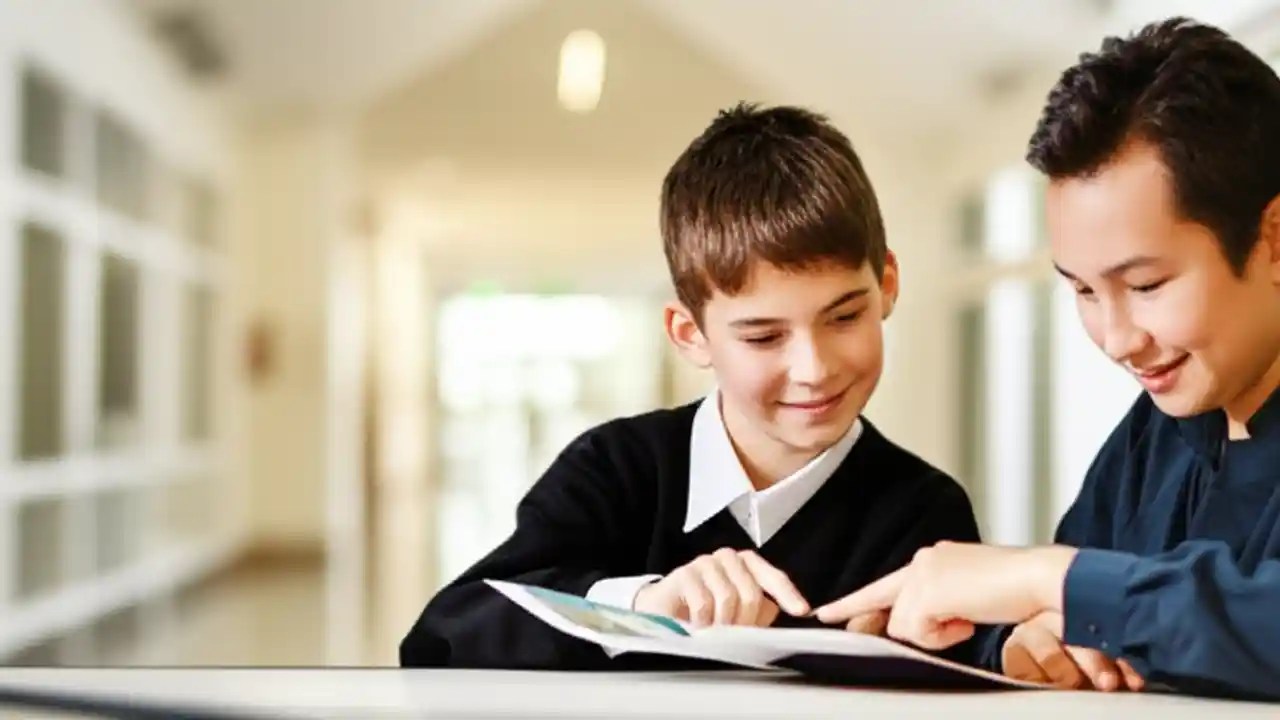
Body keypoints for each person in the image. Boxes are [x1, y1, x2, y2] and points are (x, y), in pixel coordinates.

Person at [399, 103, 983, 669]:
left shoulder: (927, 514)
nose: (814, 368)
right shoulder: (614, 469)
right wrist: (642, 607)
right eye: (763, 337)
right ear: (691, 334)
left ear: (887, 285)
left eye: (845, 317)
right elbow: (440, 639)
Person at [818, 17, 1280, 700]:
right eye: (1084, 291)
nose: (1117, 340)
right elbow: (1061, 610)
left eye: (1146, 285)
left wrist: (1048, 578)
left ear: (1273, 239)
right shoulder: (1156, 435)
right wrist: (1025, 641)